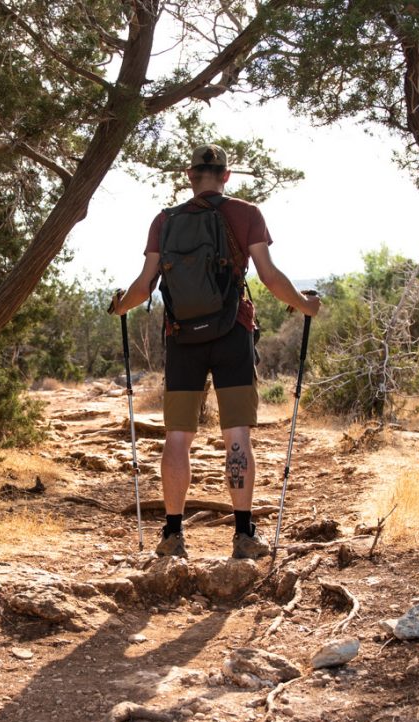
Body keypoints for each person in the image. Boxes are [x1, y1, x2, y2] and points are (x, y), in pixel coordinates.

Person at [110, 144, 320, 559]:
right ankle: (244, 536)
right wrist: (305, 305)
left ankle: (172, 536)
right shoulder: (246, 213)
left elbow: (143, 286)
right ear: (226, 176)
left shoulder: (165, 220)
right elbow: (270, 276)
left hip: (181, 337)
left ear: (190, 176)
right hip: (232, 333)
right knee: (236, 434)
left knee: (178, 437)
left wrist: (119, 306)